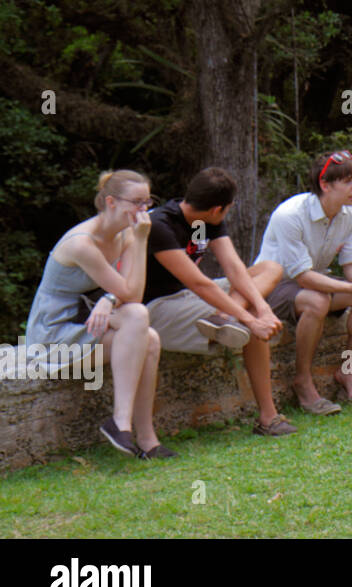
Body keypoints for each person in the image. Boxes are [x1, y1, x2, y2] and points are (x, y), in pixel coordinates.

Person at [25, 170, 171, 459]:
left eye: (148, 201)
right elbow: (130, 294)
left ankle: (145, 437)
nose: (145, 210)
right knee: (140, 321)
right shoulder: (82, 244)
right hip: (52, 334)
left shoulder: (128, 235)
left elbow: (133, 293)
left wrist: (109, 297)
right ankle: (120, 423)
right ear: (111, 202)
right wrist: (114, 293)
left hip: (86, 322)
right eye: (137, 202)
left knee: (149, 336)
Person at [143, 167, 296, 437]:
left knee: (270, 268)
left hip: (194, 296)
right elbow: (199, 283)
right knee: (250, 324)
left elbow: (234, 268)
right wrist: (251, 319)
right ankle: (269, 416)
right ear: (218, 209)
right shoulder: (160, 225)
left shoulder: (207, 220)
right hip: (158, 306)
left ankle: (225, 319)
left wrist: (263, 308)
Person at [259, 150, 352, 413]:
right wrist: (351, 287)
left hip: (316, 282)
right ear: (325, 185)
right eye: (348, 181)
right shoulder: (290, 215)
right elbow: (302, 276)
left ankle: (348, 373)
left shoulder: (351, 213)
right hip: (275, 287)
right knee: (317, 301)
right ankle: (303, 382)